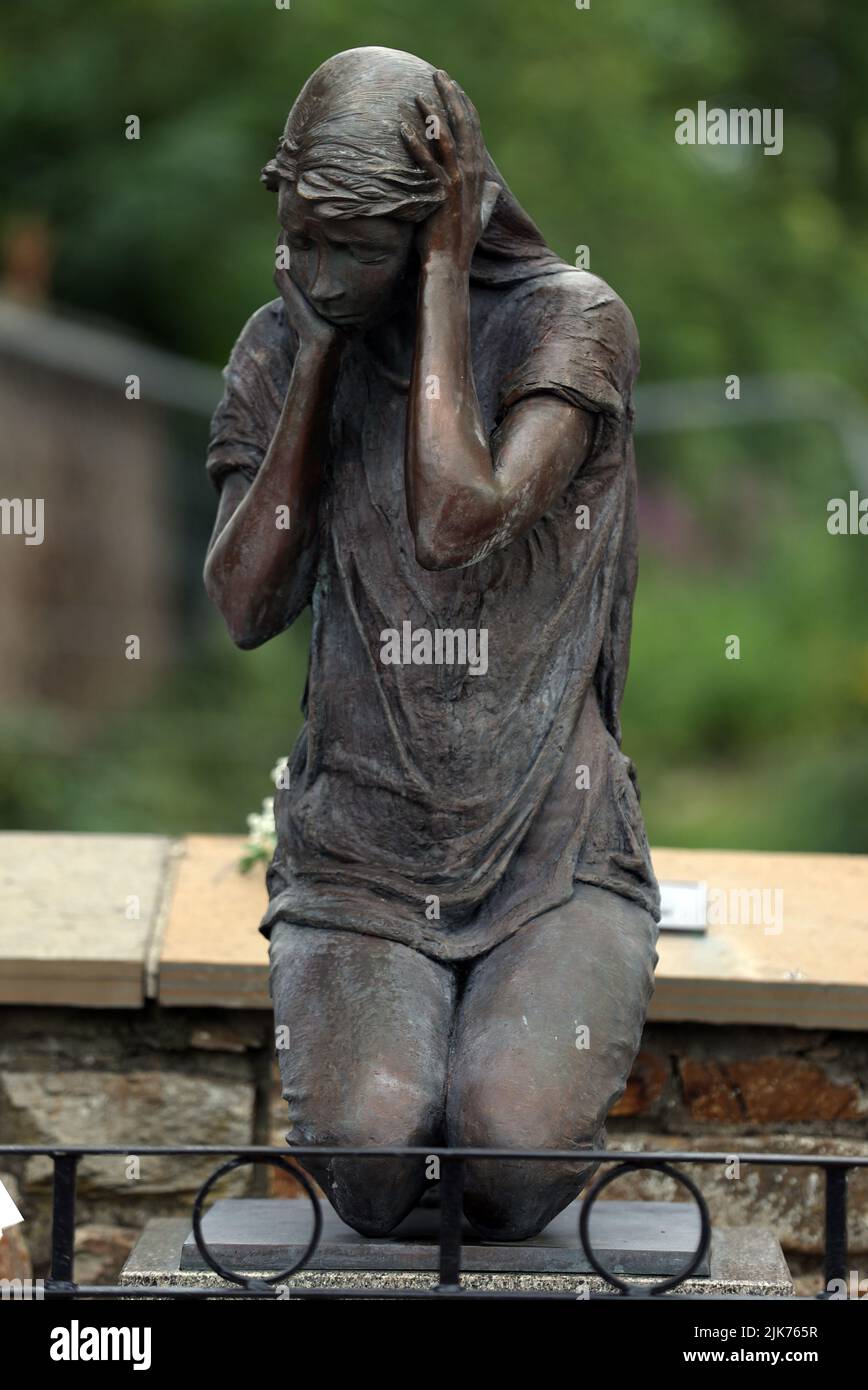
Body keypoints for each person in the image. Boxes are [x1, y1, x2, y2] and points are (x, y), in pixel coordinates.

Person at [204, 46, 660, 1241]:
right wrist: (311, 357)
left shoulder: (572, 324)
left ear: (440, 219)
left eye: (353, 246)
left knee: (508, 1159)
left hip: (545, 850)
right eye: (300, 237)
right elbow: (248, 607)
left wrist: (447, 281)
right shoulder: (281, 338)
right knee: (366, 1159)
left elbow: (457, 520)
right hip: (358, 854)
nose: (317, 271)